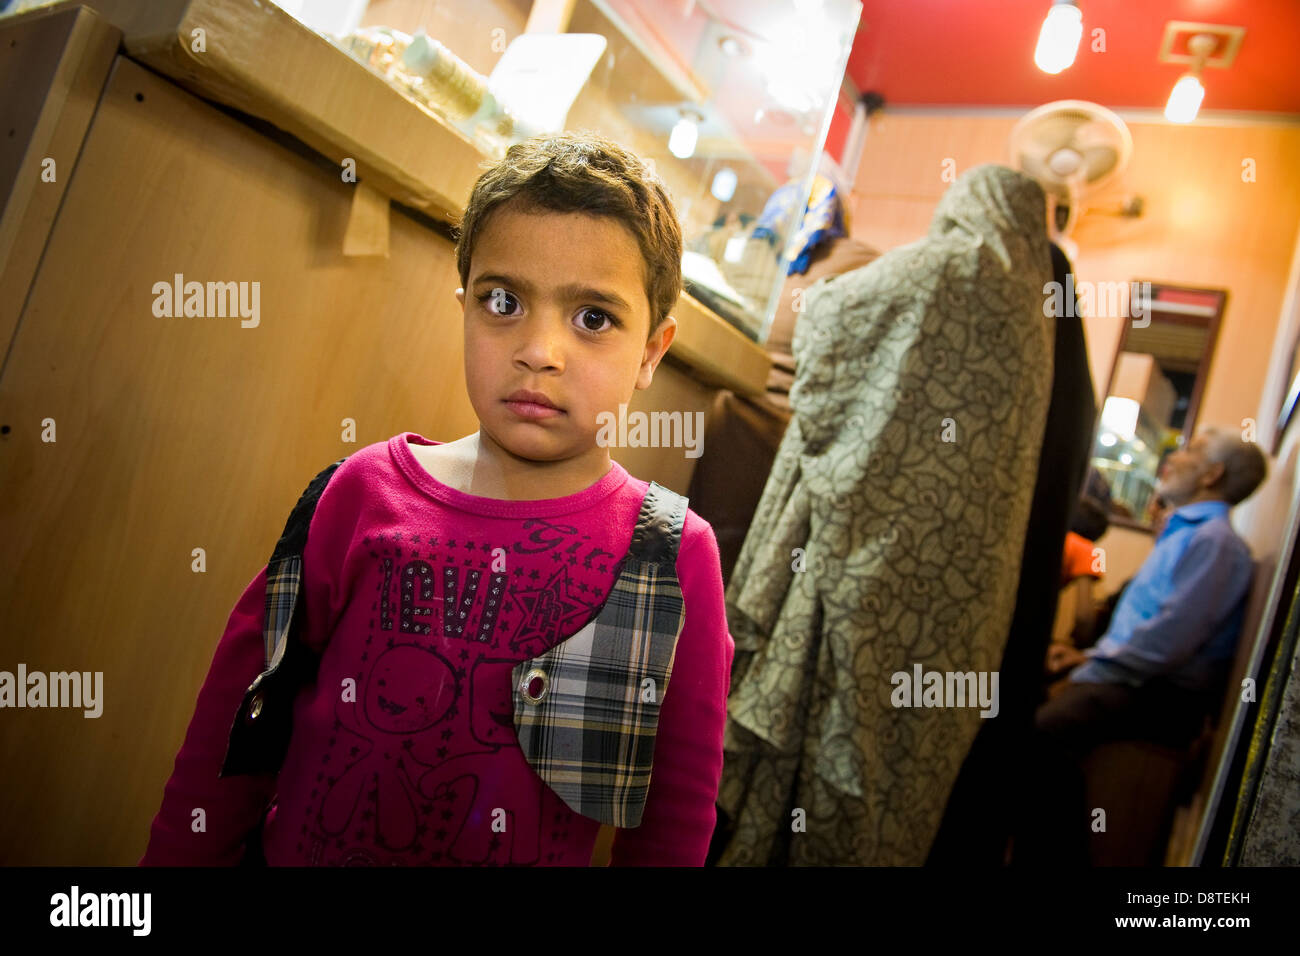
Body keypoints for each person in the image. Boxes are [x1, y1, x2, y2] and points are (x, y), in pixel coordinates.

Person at [140, 131, 735, 866]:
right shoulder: (360, 492)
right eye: (504, 301)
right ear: (464, 307)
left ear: (652, 349)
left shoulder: (672, 556)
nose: (540, 349)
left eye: (593, 318)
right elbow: (229, 738)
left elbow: (673, 823)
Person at [710, 164, 1056, 866]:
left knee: (827, 702)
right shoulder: (1034, 313)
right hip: (959, 583)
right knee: (889, 746)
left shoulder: (948, 265)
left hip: (871, 537)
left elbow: (832, 317)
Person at [1019, 426, 1267, 863]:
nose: (1176, 458)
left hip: (1160, 695)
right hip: (1135, 678)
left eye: (1193, 451)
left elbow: (1166, 642)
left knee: (1041, 735)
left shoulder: (1216, 543)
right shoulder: (1187, 532)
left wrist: (1088, 660)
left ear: (1213, 475)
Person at [687, 174, 879, 583]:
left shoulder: (754, 251)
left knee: (688, 548)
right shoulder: (862, 261)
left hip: (710, 415)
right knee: (727, 564)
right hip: (783, 437)